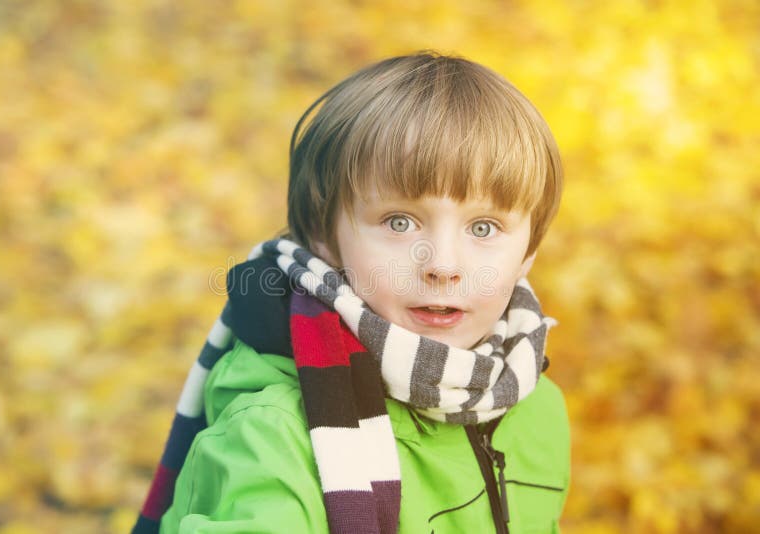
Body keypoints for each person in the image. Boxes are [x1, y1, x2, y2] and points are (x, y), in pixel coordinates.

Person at [133, 50, 570, 534]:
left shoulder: (537, 405)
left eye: (484, 227)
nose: (443, 266)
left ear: (530, 247)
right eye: (399, 222)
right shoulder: (274, 435)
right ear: (325, 234)